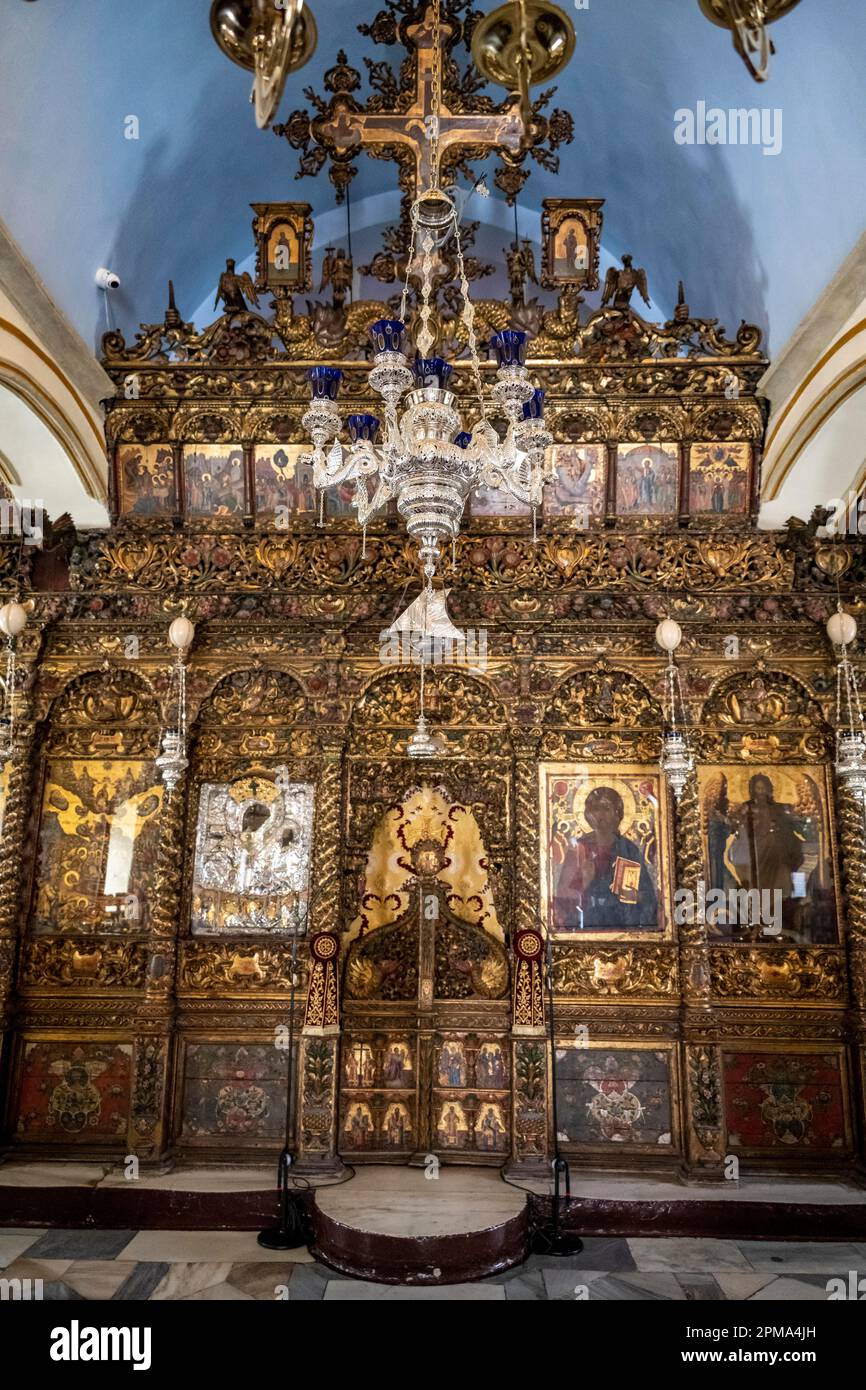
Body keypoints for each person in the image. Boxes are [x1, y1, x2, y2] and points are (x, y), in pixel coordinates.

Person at [552, 786, 658, 931]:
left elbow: (649, 898)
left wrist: (634, 896)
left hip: (624, 927)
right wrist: (584, 881)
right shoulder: (578, 849)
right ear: (588, 814)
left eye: (606, 808)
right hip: (585, 927)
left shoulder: (629, 850)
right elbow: (563, 900)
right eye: (595, 809)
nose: (600, 814)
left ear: (617, 813)